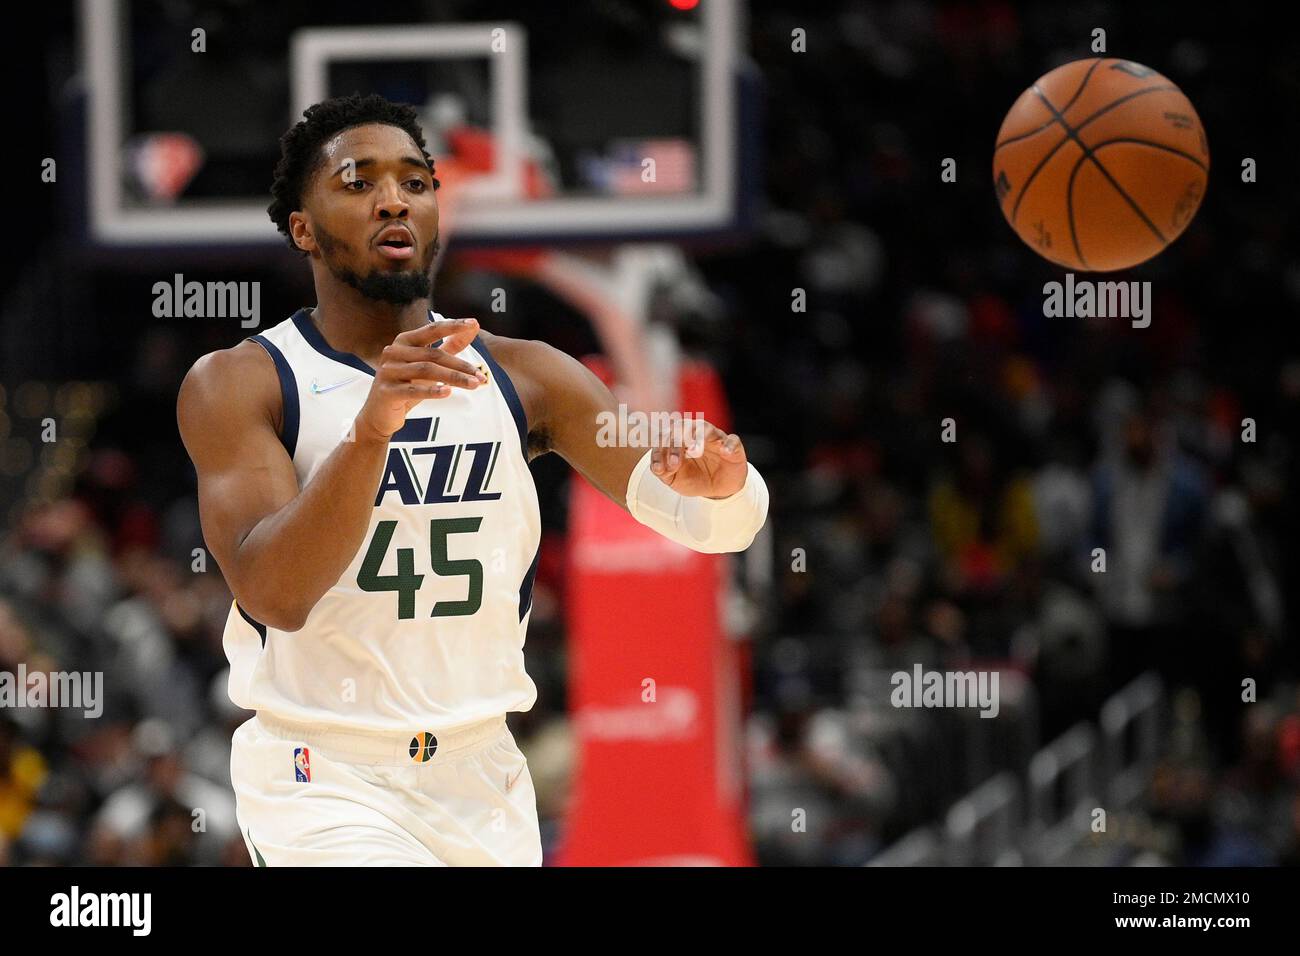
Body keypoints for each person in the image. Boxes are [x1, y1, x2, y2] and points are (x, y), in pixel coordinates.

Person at [175, 94, 768, 866]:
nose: (394, 198)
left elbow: (706, 525)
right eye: (358, 183)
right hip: (324, 777)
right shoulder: (241, 384)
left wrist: (726, 487)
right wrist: (369, 433)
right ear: (303, 229)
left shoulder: (531, 377)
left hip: (482, 777)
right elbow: (274, 594)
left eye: (415, 182)